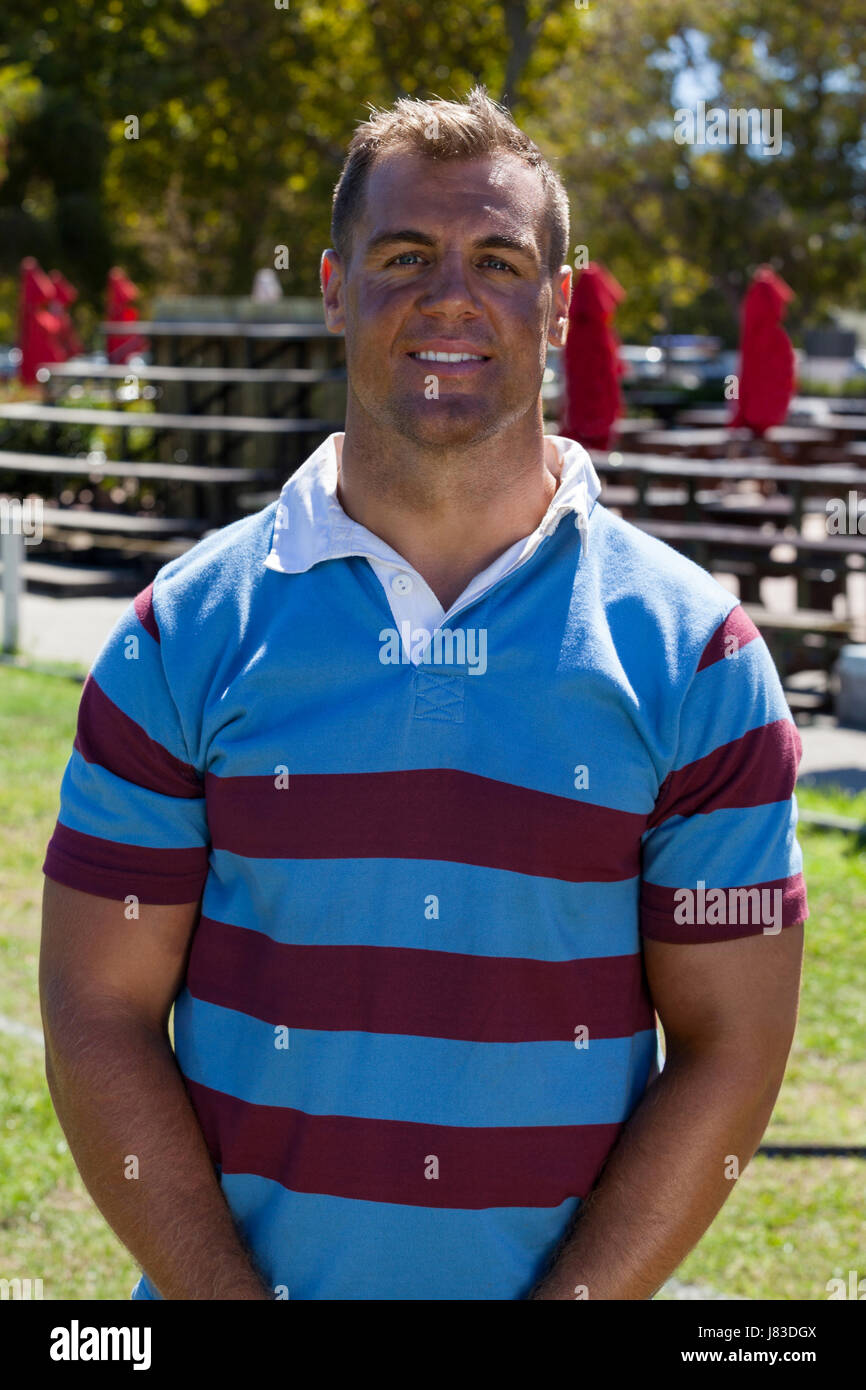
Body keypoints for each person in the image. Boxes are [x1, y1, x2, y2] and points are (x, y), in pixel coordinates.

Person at [39, 85, 806, 1302]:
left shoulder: (697, 656)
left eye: (497, 259)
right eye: (404, 256)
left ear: (555, 308)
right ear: (336, 286)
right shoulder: (177, 634)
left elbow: (732, 1045)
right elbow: (94, 1007)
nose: (449, 295)